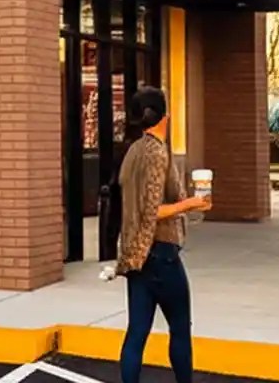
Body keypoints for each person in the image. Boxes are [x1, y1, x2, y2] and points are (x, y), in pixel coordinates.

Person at [116, 86, 212, 383]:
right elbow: (152, 210)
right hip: (161, 254)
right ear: (163, 117)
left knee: (137, 333)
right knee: (180, 329)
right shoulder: (157, 153)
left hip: (136, 256)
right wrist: (192, 203)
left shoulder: (132, 151)